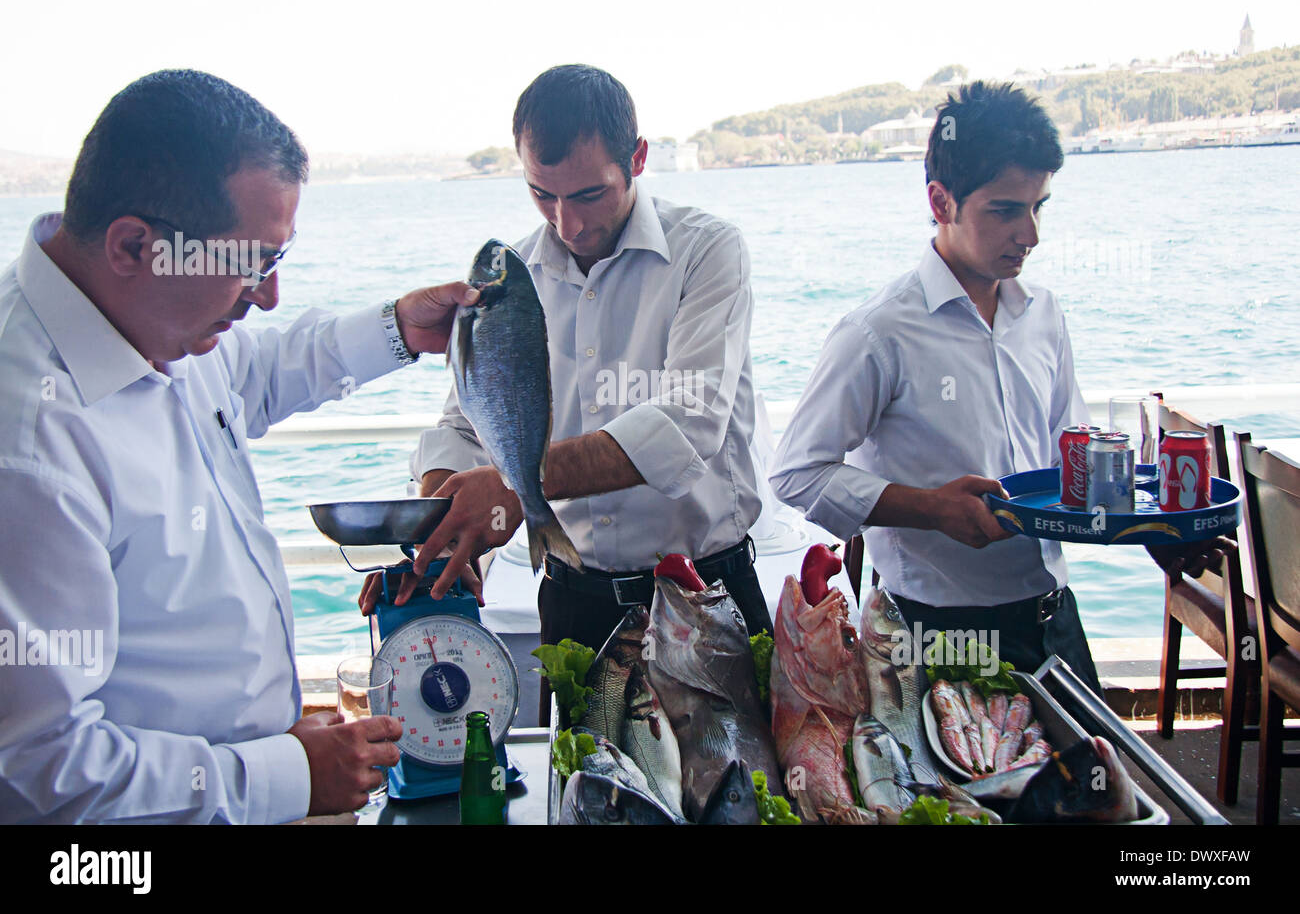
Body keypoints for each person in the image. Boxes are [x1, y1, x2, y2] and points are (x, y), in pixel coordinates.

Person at [0, 70, 479, 823]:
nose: (266, 296)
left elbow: (258, 370)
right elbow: (39, 771)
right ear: (133, 245)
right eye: (248, 264)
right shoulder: (28, 448)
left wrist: (397, 328)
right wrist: (284, 775)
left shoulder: (157, 323)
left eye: (276, 262)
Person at [379, 64, 771, 655]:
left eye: (589, 194)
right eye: (543, 195)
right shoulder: (509, 284)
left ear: (637, 158)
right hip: (572, 600)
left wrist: (517, 486)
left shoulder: (707, 250)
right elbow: (463, 426)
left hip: (706, 597)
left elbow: (689, 422)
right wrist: (445, 533)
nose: (568, 222)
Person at [770, 82, 1111, 693]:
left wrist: (1158, 529)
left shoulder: (1044, 315)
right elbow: (796, 472)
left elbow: (1069, 450)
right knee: (956, 792)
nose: (1030, 234)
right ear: (941, 200)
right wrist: (931, 510)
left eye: (1040, 207)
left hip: (1056, 618)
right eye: (1005, 210)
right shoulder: (878, 332)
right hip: (939, 635)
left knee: (1096, 787)